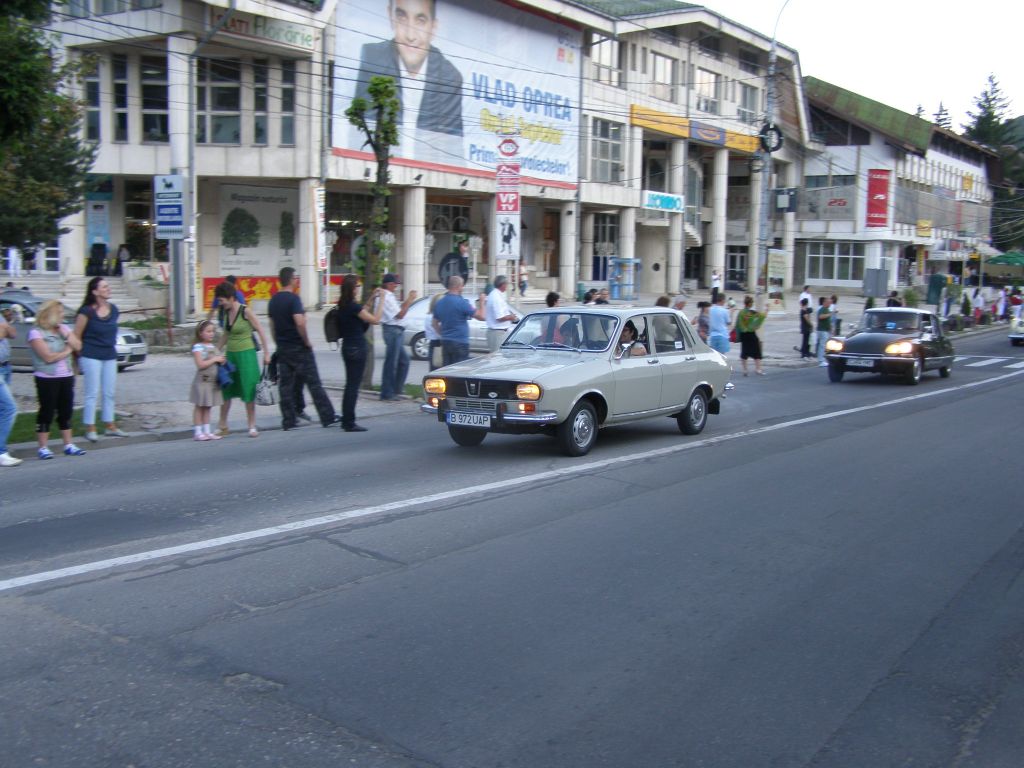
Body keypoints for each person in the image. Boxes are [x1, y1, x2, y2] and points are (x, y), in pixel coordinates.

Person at [353, 0, 463, 162]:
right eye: (402, 18)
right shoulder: (372, 57)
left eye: (420, 21)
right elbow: (359, 130)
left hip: (429, 169)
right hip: (378, 164)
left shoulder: (450, 78)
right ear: (391, 17)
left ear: (433, 28)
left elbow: (454, 150)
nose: (411, 36)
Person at [267, 267, 340, 430]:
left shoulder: (274, 300)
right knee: (314, 383)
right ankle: (327, 416)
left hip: (283, 347)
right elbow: (299, 322)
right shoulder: (294, 300)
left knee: (285, 385)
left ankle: (288, 420)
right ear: (292, 280)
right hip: (298, 347)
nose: (296, 281)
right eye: (295, 278)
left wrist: (278, 342)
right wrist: (306, 341)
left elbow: (272, 326)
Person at [29, 299, 86, 459]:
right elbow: (47, 357)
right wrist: (67, 351)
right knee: (47, 411)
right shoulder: (36, 333)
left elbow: (78, 346)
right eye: (60, 313)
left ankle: (68, 444)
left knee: (66, 410)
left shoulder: (63, 329)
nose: (63, 315)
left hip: (66, 375)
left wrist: (66, 333)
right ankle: (43, 447)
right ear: (51, 314)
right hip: (47, 377)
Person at [215, 280, 270, 437]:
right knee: (227, 390)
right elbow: (226, 334)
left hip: (247, 355)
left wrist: (266, 354)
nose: (220, 303)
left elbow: (260, 330)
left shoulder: (246, 311)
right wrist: (215, 351)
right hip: (231, 356)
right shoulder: (226, 312)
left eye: (222, 300)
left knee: (249, 390)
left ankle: (252, 425)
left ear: (231, 297)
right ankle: (223, 425)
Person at [74, 277, 126, 442]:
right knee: (92, 392)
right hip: (91, 354)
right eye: (104, 287)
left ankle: (109, 425)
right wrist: (78, 357)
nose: (108, 289)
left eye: (108, 286)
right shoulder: (86, 311)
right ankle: (90, 427)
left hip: (109, 354)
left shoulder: (114, 310)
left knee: (109, 392)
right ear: (95, 291)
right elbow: (76, 336)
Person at [335, 274, 385, 432]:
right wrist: (382, 299)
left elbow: (363, 312)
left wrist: (372, 298)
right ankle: (349, 422)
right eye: (357, 286)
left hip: (347, 347)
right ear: (352, 289)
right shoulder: (353, 307)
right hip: (357, 348)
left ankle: (346, 418)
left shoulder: (343, 305)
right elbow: (375, 319)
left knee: (350, 384)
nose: (358, 288)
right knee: (353, 386)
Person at [378, 273, 417, 400]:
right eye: (395, 284)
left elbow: (398, 311)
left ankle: (396, 389)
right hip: (392, 330)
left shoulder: (388, 296)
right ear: (389, 284)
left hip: (396, 330)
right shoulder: (385, 297)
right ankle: (387, 392)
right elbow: (400, 314)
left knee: (403, 361)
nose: (396, 286)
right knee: (391, 362)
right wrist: (410, 299)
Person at [432, 275, 485, 365]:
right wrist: (482, 302)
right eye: (462, 286)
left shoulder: (440, 302)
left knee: (446, 371)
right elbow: (481, 317)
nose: (462, 288)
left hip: (446, 342)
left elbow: (434, 323)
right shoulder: (462, 302)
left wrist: (443, 333)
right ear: (459, 286)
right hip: (460, 342)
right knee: (459, 371)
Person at [189, 320, 225, 441]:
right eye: (208, 331)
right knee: (200, 406)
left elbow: (217, 360)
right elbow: (200, 364)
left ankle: (207, 431)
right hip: (202, 381)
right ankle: (198, 432)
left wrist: (222, 360)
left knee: (208, 406)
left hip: (212, 382)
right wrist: (215, 359)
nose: (211, 334)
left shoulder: (213, 347)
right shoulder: (198, 347)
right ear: (200, 333)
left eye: (213, 331)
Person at [0, 308, 19, 466]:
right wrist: (3, 330)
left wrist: (5, 328)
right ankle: (0, 451)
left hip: (5, 366)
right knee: (9, 407)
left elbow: (12, 333)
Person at [485, 274, 519, 352]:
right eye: (506, 284)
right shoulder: (496, 297)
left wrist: (511, 315)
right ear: (502, 285)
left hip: (500, 332)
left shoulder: (497, 295)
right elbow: (499, 317)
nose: (507, 286)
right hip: (497, 333)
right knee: (497, 358)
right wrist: (511, 317)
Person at [735, 295, 767, 376]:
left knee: (744, 352)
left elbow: (737, 324)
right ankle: (758, 369)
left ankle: (745, 370)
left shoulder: (741, 313)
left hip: (743, 334)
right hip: (751, 334)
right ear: (750, 304)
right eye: (752, 302)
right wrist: (767, 310)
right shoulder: (752, 313)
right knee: (757, 351)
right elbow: (761, 317)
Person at [815, 295, 832, 367]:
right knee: (822, 345)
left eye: (830, 303)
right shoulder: (823, 309)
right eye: (828, 303)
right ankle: (821, 360)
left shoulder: (827, 309)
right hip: (822, 330)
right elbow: (820, 316)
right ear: (824, 302)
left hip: (826, 330)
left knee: (825, 345)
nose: (830, 304)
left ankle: (823, 359)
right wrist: (828, 315)